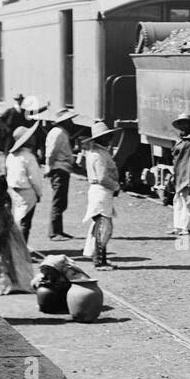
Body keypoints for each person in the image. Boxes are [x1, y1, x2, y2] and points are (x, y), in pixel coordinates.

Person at [80, 126, 121, 269]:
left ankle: (100, 259)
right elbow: (103, 177)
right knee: (103, 227)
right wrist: (116, 186)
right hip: (101, 191)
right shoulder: (99, 154)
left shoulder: (95, 152)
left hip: (100, 191)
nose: (110, 139)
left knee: (101, 226)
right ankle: (99, 261)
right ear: (101, 138)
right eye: (107, 136)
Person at [44, 108, 80, 240]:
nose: (71, 123)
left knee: (60, 201)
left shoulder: (60, 132)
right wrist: (49, 166)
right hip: (59, 168)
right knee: (58, 201)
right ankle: (54, 232)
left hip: (61, 168)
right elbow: (52, 152)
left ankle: (58, 230)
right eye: (69, 120)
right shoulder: (59, 133)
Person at [6, 123, 45, 246]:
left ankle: (18, 246)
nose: (34, 139)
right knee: (25, 223)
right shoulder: (29, 157)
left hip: (14, 191)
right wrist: (39, 193)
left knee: (18, 219)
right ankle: (21, 248)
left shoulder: (11, 156)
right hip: (27, 192)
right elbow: (35, 179)